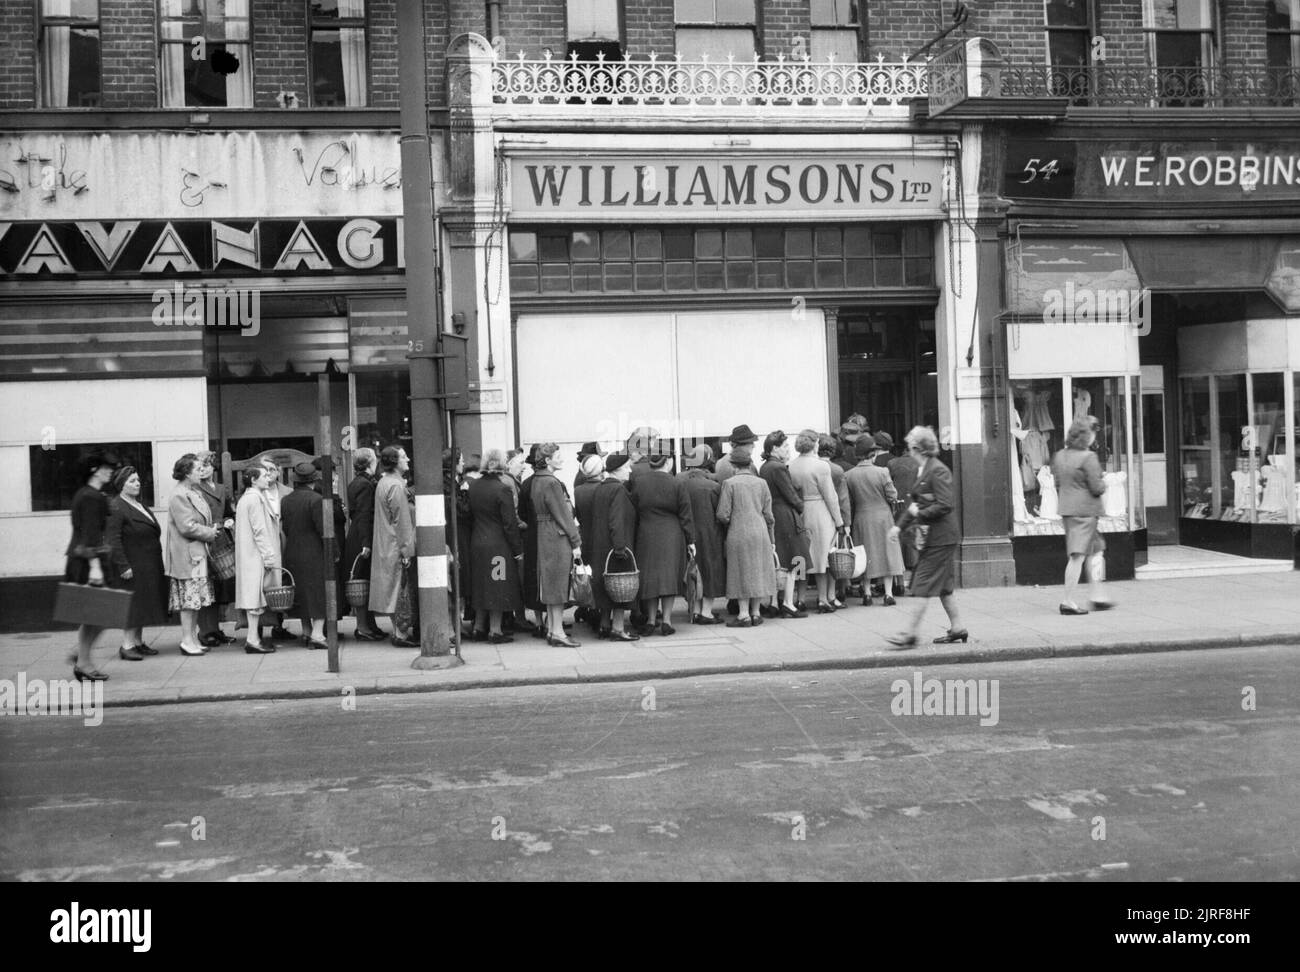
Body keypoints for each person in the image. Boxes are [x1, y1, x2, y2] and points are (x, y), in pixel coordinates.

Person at [886, 426, 967, 648]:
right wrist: (899, 527)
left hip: (940, 537)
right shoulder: (922, 469)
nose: (909, 449)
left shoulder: (938, 470)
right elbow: (915, 504)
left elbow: (945, 504)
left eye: (911, 445)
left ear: (917, 448)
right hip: (935, 536)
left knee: (921, 584)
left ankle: (909, 634)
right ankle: (958, 627)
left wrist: (918, 515)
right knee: (944, 585)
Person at [630, 449, 696, 636]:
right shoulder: (677, 483)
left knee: (649, 577)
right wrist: (691, 540)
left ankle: (651, 620)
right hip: (671, 534)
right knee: (668, 577)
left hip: (646, 533)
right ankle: (666, 620)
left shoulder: (639, 483)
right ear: (668, 462)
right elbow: (686, 514)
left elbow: (633, 510)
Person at [106, 466, 167, 661]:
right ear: (121, 485)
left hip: (147, 563)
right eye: (132, 481)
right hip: (132, 564)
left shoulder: (138, 504)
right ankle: (127, 645)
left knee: (142, 604)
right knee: (133, 606)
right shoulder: (116, 506)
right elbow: (112, 539)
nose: (137, 483)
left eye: (138, 480)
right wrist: (123, 566)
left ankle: (138, 643)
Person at [64, 454, 117, 681]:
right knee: (101, 614)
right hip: (88, 561)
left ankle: (81, 654)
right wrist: (95, 567)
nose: (110, 471)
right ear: (95, 470)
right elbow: (89, 534)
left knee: (96, 614)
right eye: (106, 468)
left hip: (83, 559)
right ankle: (83, 660)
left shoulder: (87, 494)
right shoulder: (92, 497)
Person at [1053, 416, 1113, 615]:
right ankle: (1067, 601)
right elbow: (1097, 488)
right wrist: (1105, 482)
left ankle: (1098, 596)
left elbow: (1058, 484)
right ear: (1086, 436)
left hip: (1068, 510)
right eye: (1092, 433)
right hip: (1085, 513)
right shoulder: (1088, 457)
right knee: (1078, 556)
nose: (1094, 436)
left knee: (1096, 550)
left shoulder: (1060, 455)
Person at [467, 449, 525, 643]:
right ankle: (495, 630)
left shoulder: (473, 486)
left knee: (482, 585)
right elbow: (510, 524)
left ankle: (478, 627)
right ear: (501, 464)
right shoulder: (502, 489)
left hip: (477, 543)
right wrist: (518, 551)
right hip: (498, 546)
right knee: (497, 586)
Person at [166, 453, 220, 657]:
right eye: (197, 469)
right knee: (189, 602)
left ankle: (192, 638)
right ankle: (187, 640)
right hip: (187, 556)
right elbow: (186, 527)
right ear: (187, 473)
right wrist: (209, 533)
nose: (201, 472)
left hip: (196, 553)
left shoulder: (192, 491)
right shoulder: (180, 494)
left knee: (195, 600)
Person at [716, 447, 777, 627]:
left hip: (738, 531)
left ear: (733, 465)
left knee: (740, 571)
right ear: (750, 464)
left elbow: (722, 514)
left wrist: (729, 522)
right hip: (760, 531)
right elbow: (769, 514)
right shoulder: (762, 483)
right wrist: (772, 538)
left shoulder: (730, 483)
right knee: (758, 569)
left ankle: (743, 614)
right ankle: (756, 613)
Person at [531, 443, 583, 646]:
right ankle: (559, 633)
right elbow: (563, 515)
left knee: (550, 584)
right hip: (557, 536)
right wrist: (576, 541)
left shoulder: (537, 480)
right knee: (559, 585)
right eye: (558, 455)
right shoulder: (552, 483)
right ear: (548, 460)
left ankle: (553, 630)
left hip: (544, 533)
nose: (561, 459)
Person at [789, 430, 846, 613]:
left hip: (801, 511)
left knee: (804, 556)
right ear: (815, 444)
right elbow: (831, 496)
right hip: (820, 510)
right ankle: (822, 599)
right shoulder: (821, 466)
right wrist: (839, 521)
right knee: (822, 557)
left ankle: (801, 598)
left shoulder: (791, 465)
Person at [280, 461, 333, 649]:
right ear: (313, 481)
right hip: (314, 552)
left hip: (292, 550)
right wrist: (334, 551)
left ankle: (306, 631)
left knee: (301, 592)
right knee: (318, 593)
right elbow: (324, 531)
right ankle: (318, 634)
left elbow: (285, 527)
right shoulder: (316, 500)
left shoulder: (285, 500)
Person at [369, 446, 418, 647]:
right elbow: (402, 521)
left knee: (391, 589)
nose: (407, 459)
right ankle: (401, 633)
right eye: (404, 456)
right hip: (395, 543)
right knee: (400, 589)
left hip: (385, 541)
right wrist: (408, 551)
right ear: (396, 462)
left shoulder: (384, 482)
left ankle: (398, 631)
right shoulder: (396, 486)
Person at [588, 453, 639, 641]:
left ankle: (604, 625)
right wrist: (620, 548)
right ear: (617, 470)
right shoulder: (618, 490)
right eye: (627, 467)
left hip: (600, 546)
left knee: (606, 587)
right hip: (615, 545)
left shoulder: (601, 488)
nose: (630, 470)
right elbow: (616, 521)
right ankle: (618, 628)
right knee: (620, 589)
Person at [846, 437, 903, 606]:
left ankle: (867, 593)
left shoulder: (849, 475)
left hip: (861, 517)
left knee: (865, 553)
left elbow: (849, 501)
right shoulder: (882, 472)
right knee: (887, 552)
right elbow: (893, 496)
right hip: (883, 517)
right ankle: (888, 593)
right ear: (873, 454)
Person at [760, 431, 809, 619]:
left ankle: (774, 602)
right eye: (785, 446)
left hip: (774, 515)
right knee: (791, 560)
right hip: (785, 516)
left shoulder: (765, 467)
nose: (788, 449)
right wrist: (801, 506)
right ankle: (788, 603)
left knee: (779, 560)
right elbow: (790, 495)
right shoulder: (779, 468)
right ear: (774, 448)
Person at [232, 464, 281, 653]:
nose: (268, 478)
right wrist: (269, 557)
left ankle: (253, 638)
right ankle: (252, 640)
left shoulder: (247, 498)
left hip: (250, 555)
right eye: (264, 476)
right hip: (256, 556)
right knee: (254, 599)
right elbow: (260, 530)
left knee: (254, 598)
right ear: (253, 480)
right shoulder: (254, 499)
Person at [193, 451, 236, 647]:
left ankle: (216, 629)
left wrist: (229, 520)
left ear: (213, 467)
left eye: (207, 465)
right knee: (205, 585)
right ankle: (205, 630)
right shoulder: (194, 489)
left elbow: (229, 512)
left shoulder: (222, 488)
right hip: (204, 540)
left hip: (222, 541)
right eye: (200, 466)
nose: (203, 470)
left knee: (220, 588)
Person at [679, 444, 725, 624]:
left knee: (693, 571)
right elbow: (721, 513)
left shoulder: (679, 482)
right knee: (710, 571)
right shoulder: (713, 486)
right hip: (710, 534)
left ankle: (695, 610)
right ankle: (706, 612)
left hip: (687, 534)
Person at [344, 448, 384, 640]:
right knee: (362, 583)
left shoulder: (358, 483)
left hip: (359, 536)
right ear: (370, 462)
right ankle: (363, 627)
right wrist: (366, 543)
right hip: (362, 538)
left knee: (364, 582)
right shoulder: (365, 485)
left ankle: (369, 625)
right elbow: (363, 515)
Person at [257, 459, 296, 643]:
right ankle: (257, 627)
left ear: (278, 471)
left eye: (272, 469)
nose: (269, 473)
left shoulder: (288, 492)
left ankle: (279, 625)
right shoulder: (255, 492)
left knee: (281, 582)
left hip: (283, 540)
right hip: (262, 542)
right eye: (265, 470)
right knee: (261, 583)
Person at [573, 454, 607, 633]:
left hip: (585, 535)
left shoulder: (579, 490)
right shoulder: (603, 488)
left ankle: (588, 608)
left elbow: (578, 514)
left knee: (589, 575)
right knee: (601, 575)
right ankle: (600, 614)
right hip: (601, 537)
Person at [820, 433, 853, 604]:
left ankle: (819, 596)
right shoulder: (837, 470)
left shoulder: (812, 467)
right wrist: (846, 522)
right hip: (833, 518)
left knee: (818, 560)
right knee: (833, 558)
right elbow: (843, 499)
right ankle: (832, 595)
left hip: (814, 515)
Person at [887, 437, 921, 594]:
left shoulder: (893, 463)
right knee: (914, 542)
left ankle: (899, 583)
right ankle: (915, 583)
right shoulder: (920, 463)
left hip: (898, 507)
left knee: (897, 543)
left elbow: (890, 487)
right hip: (916, 506)